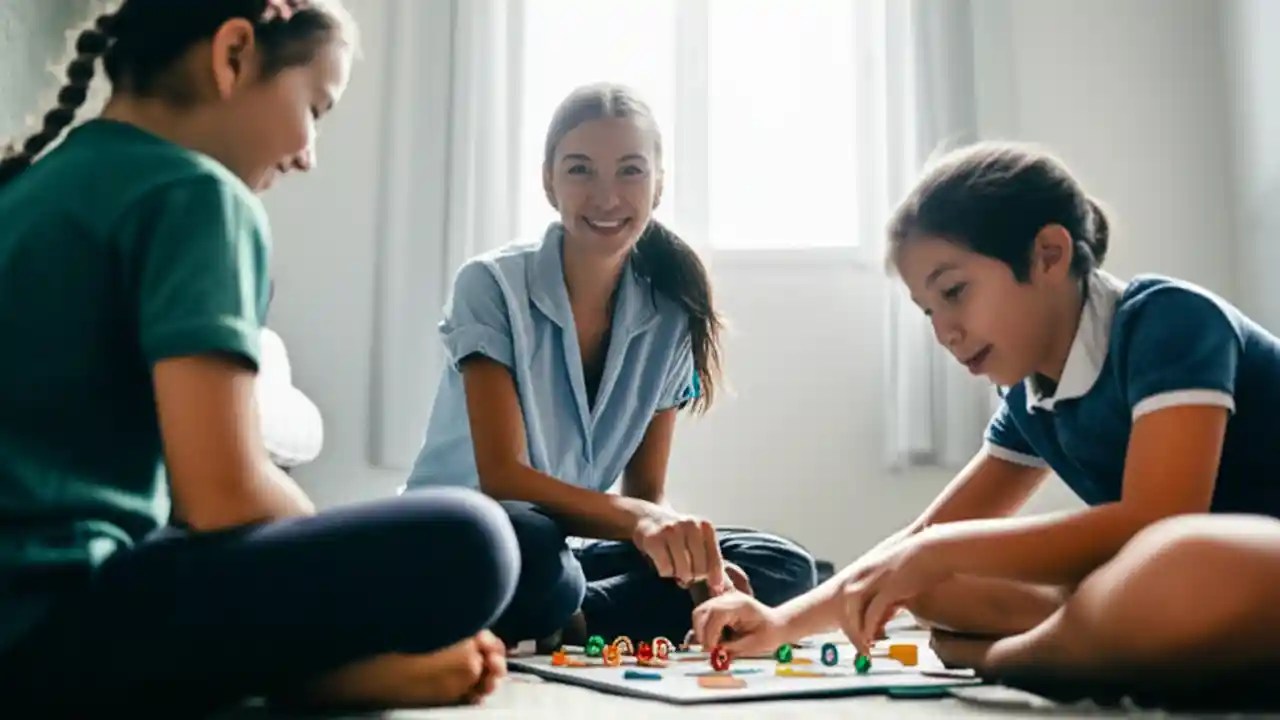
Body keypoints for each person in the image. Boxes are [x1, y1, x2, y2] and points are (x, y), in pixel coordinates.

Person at [0, 1, 518, 714]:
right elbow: (225, 496)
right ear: (234, 55)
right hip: (57, 622)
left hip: (42, 613)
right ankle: (315, 675)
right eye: (315, 106)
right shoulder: (198, 196)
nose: (308, 154)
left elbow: (186, 495)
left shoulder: (29, 190)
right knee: (477, 538)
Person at [691, 142, 1280, 708]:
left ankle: (1014, 659)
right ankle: (1112, 645)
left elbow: (1159, 520)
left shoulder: (1166, 320)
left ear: (1049, 253)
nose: (944, 331)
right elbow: (927, 538)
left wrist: (941, 551)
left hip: (1222, 562)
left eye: (955, 292)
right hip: (1174, 587)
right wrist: (781, 623)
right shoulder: (1031, 392)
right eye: (929, 311)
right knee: (928, 584)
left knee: (1176, 561)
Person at [404, 82, 816, 649]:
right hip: (473, 534)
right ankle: (577, 609)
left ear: (659, 183)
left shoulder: (672, 312)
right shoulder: (490, 284)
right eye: (580, 171)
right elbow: (503, 476)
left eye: (629, 171)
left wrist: (690, 562)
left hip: (566, 547)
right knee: (524, 540)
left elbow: (646, 490)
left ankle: (570, 617)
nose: (606, 196)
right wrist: (643, 524)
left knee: (782, 565)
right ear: (548, 181)